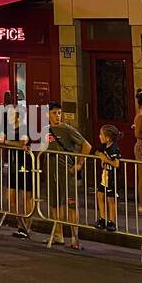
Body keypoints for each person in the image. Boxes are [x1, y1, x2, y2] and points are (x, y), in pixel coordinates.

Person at [42, 103, 90, 250]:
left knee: (71, 203)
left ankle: (75, 238)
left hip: (67, 171)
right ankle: (58, 234)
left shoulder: (67, 129)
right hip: (51, 170)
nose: (57, 116)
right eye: (54, 113)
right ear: (47, 114)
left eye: (59, 113)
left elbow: (86, 145)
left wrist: (79, 164)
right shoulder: (45, 131)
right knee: (54, 203)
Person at [0, 101, 35, 238]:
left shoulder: (24, 127)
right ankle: (21, 225)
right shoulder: (8, 129)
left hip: (25, 164)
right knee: (10, 197)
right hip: (13, 165)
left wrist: (4, 142)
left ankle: (27, 227)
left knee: (26, 197)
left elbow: (22, 143)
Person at [94, 124, 122, 230]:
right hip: (104, 176)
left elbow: (116, 164)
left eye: (101, 135)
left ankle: (112, 221)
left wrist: (106, 160)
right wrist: (101, 156)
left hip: (112, 177)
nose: (99, 136)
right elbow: (97, 151)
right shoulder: (104, 147)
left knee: (111, 199)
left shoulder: (114, 149)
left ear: (108, 138)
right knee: (100, 195)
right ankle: (102, 218)